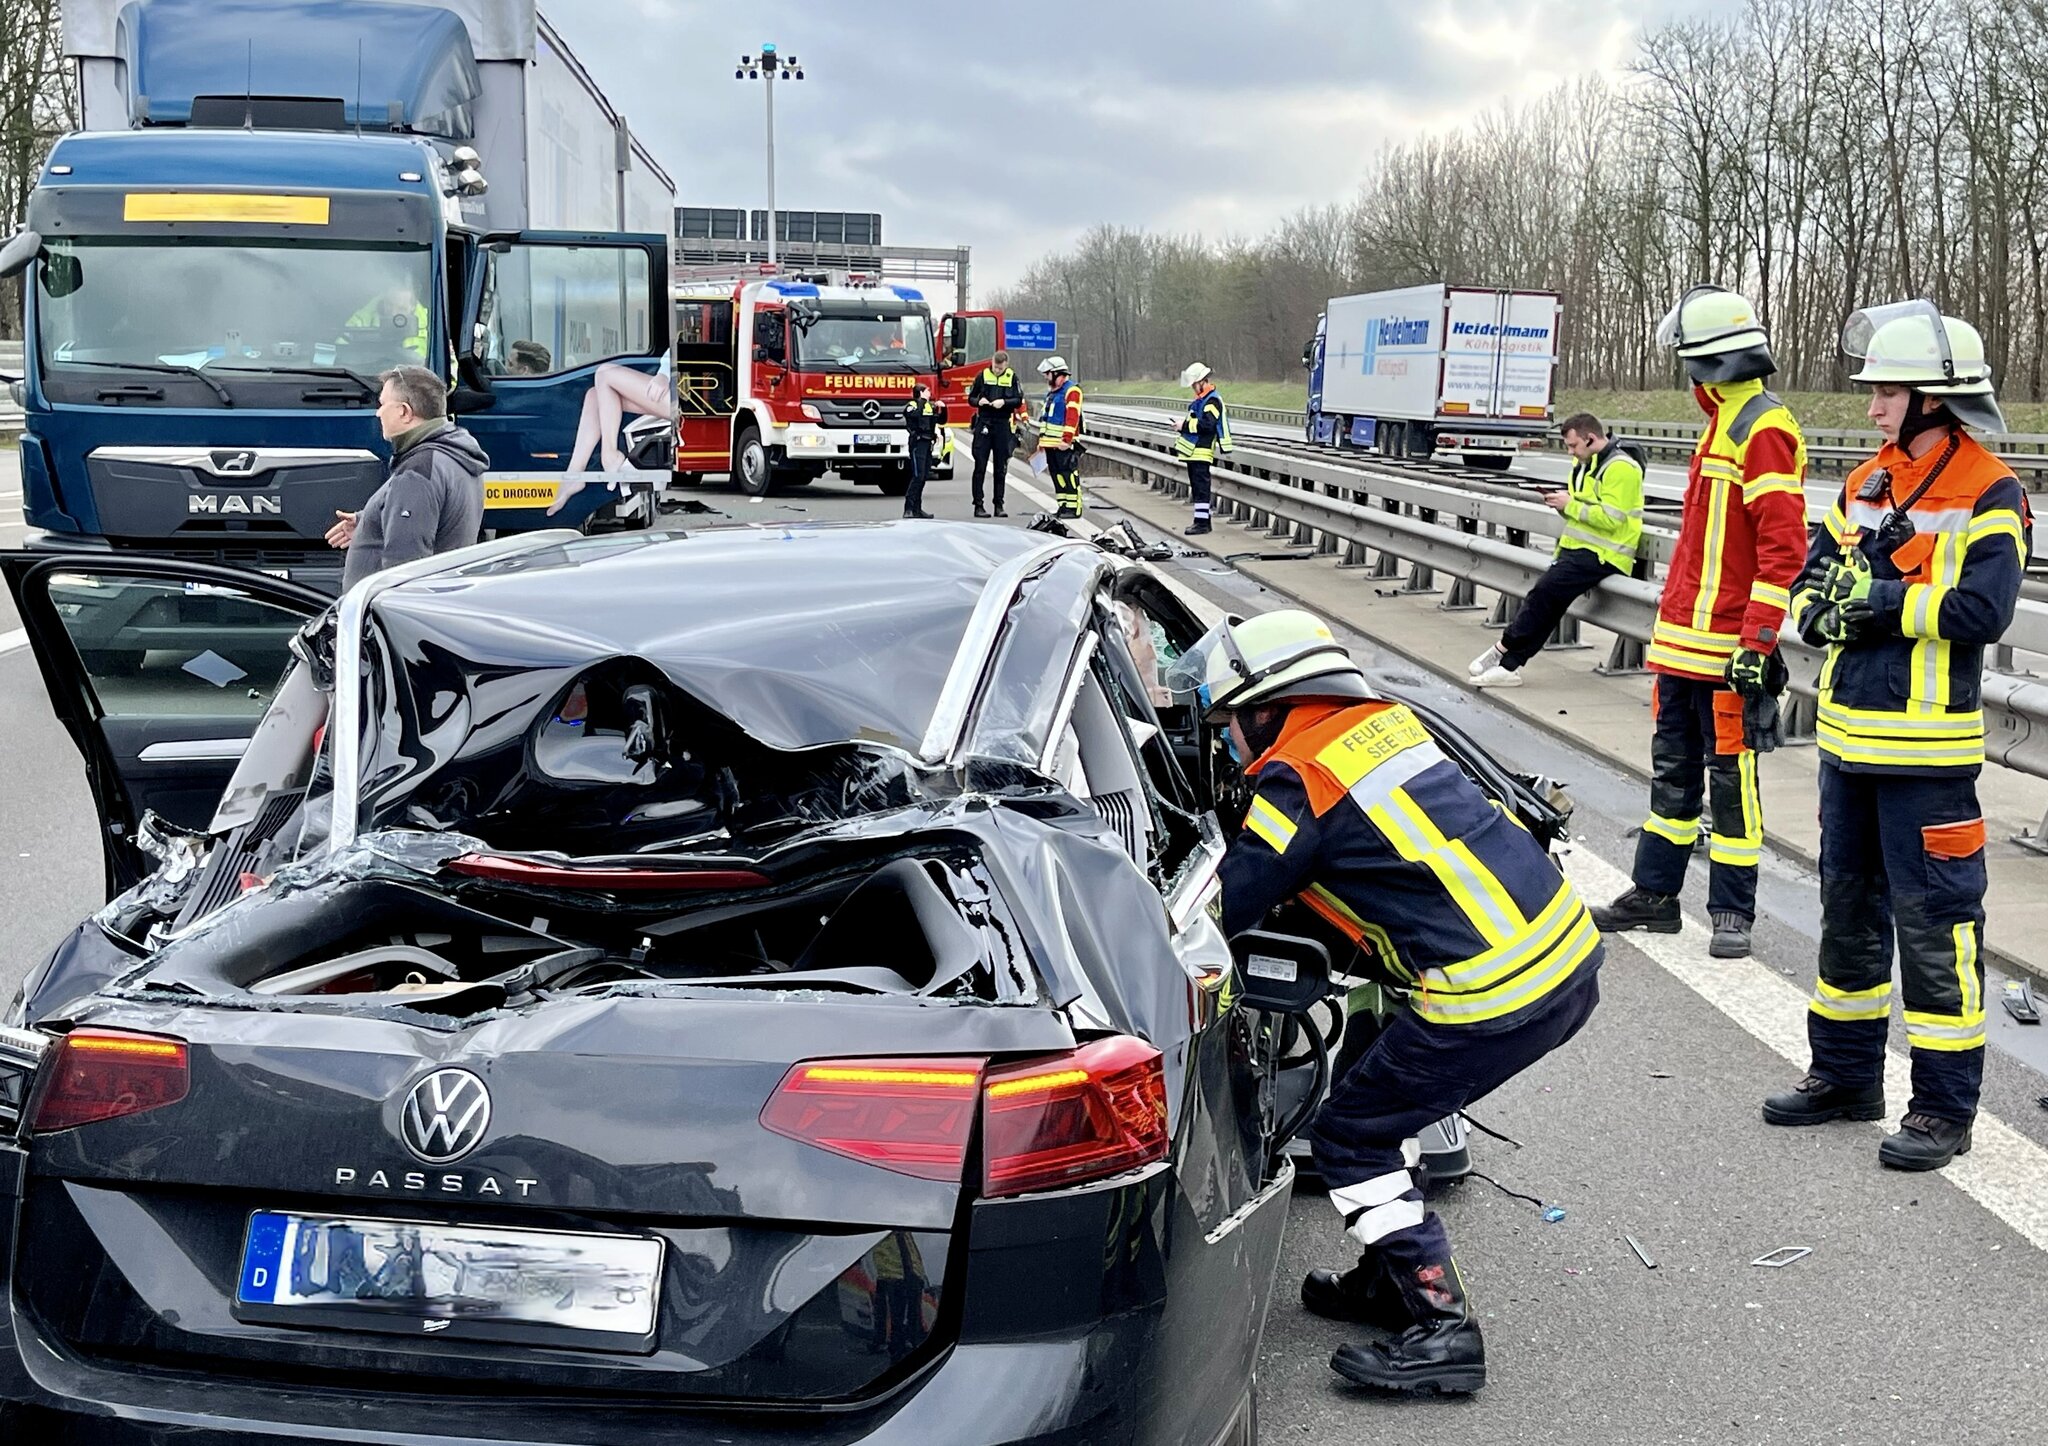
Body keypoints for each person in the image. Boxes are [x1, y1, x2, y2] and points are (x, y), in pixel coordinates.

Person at [1167, 609, 1602, 1395]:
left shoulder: (1297, 777)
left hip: (1489, 994)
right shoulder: (1377, 727)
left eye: (1231, 720)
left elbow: (1231, 903)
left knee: (1352, 1138)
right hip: (1560, 954)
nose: (1228, 739)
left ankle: (1442, 1325)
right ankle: (1388, 1277)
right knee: (1372, 1073)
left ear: (1271, 703)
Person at [1763, 302, 2026, 1172]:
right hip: (1845, 749)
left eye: (1886, 391)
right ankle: (1844, 1078)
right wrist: (1822, 608)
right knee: (1848, 918)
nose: (1871, 407)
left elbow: (1981, 612)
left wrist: (1878, 604)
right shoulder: (1865, 482)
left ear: (1936, 399)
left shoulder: (1990, 490)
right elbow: (1808, 586)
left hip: (1927, 761)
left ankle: (1945, 1111)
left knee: (1937, 931)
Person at [1589, 285, 1808, 959]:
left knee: (1731, 784)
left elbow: (1783, 551)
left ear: (1706, 363)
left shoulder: (1761, 427)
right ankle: (1655, 897)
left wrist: (1758, 642)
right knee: (1673, 777)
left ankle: (1732, 913)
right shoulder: (1724, 421)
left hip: (1727, 651)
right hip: (1683, 644)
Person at [1471, 413, 1645, 688]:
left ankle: (1504, 651)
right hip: (1579, 549)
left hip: (1606, 554)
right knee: (1546, 602)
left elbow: (1614, 520)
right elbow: (1582, 512)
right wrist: (1563, 505)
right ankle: (1508, 663)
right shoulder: (1584, 463)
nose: (1570, 452)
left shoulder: (1621, 468)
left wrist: (1569, 505)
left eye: (1574, 446)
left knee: (1543, 596)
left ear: (1591, 438)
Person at [326, 365, 487, 591]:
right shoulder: (456, 455)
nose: (377, 413)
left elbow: (403, 570)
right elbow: (438, 520)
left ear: (404, 412)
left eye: (382, 405)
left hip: (388, 620)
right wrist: (370, 523)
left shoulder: (417, 471)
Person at [566, 354, 675, 474]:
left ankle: (610, 455)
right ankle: (573, 473)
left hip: (683, 394)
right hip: (677, 391)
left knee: (604, 372)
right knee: (595, 395)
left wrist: (665, 373)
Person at [1176, 361, 1233, 535]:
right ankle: (1201, 521)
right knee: (1198, 489)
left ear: (1203, 381)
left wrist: (1183, 426)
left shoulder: (1212, 400)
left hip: (1201, 452)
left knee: (1201, 489)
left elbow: (1207, 425)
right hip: (1194, 452)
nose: (1193, 388)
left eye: (1195, 385)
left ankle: (1202, 524)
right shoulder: (1201, 400)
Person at [968, 349, 1024, 517]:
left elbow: (1018, 400)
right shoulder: (982, 376)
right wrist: (979, 401)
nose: (997, 371)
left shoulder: (1012, 377)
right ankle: (978, 505)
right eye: (995, 367)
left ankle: (999, 505)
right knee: (980, 467)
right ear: (992, 363)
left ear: (1006, 365)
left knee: (1001, 468)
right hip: (984, 422)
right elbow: (971, 398)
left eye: (1000, 369)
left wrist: (1004, 402)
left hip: (1002, 425)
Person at [1037, 355, 1085, 519]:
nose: (1046, 377)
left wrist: (1067, 439)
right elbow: (1046, 419)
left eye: (1048, 373)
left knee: (1068, 475)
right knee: (1057, 475)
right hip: (1050, 443)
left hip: (1064, 444)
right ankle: (1063, 506)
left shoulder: (1072, 391)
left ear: (1057, 374)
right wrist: (1041, 441)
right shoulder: (1052, 393)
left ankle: (1074, 508)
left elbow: (1072, 417)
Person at [344, 283, 428, 363]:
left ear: (413, 307)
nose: (393, 313)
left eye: (401, 308)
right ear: (383, 300)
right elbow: (341, 344)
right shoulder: (363, 318)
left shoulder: (431, 327)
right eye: (390, 305)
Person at [901, 382, 941, 519]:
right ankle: (908, 508)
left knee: (923, 477)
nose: (930, 392)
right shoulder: (913, 405)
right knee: (917, 476)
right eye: (927, 391)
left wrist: (943, 409)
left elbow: (939, 420)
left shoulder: (929, 406)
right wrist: (922, 401)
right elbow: (912, 415)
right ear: (921, 392)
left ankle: (917, 509)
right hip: (917, 443)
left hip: (927, 443)